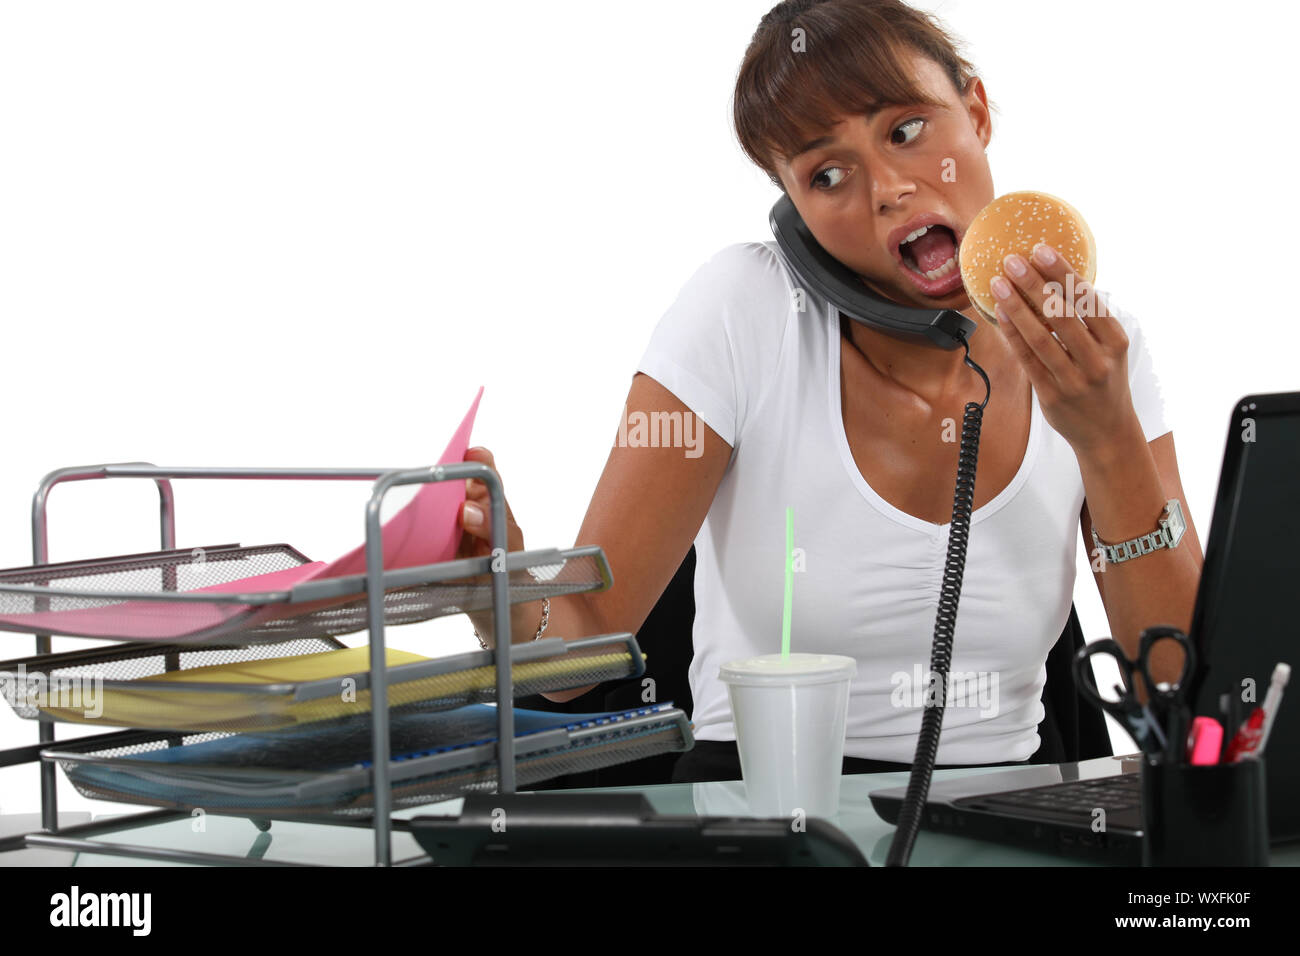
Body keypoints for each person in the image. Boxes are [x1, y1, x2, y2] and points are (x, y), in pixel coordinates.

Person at [459, 0, 1205, 783]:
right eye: (828, 174)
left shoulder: (1095, 344)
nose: (886, 189)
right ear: (795, 208)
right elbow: (586, 642)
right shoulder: (743, 312)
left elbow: (1183, 688)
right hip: (764, 813)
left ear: (976, 111)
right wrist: (499, 590)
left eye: (907, 129)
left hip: (1010, 814)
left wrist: (1108, 435)